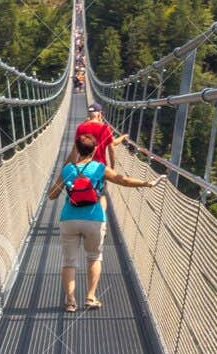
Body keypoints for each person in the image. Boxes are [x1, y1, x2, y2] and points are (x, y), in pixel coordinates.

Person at [47, 130, 160, 311]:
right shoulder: (100, 168)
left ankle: (70, 301)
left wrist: (63, 184)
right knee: (94, 257)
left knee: (69, 261)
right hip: (94, 218)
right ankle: (90, 297)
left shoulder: (67, 169)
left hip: (69, 218)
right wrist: (146, 183)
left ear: (77, 149)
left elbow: (52, 196)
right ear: (94, 150)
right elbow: (124, 181)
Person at [75, 103, 118, 169]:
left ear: (88, 114)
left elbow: (76, 149)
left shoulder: (80, 127)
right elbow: (111, 151)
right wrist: (112, 168)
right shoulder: (105, 128)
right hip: (99, 167)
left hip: (83, 166)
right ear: (99, 114)